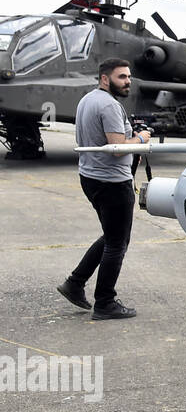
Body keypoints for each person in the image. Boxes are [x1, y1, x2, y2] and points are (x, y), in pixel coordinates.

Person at [57, 58, 150, 320]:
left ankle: (74, 283)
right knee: (117, 243)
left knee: (112, 237)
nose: (128, 81)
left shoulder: (88, 99)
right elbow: (117, 147)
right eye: (122, 77)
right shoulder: (109, 105)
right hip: (111, 183)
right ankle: (105, 303)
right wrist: (141, 139)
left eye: (129, 76)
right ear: (105, 79)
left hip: (91, 178)